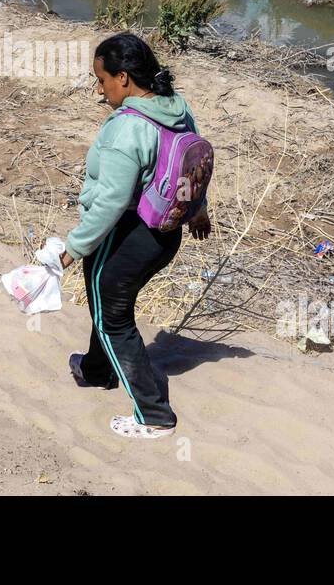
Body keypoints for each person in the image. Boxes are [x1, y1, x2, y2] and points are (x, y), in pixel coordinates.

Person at [61, 32, 212, 440]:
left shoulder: (128, 128)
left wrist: (73, 248)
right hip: (166, 234)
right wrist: (199, 210)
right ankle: (96, 370)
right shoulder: (176, 108)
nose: (99, 89)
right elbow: (193, 164)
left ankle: (154, 413)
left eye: (102, 79)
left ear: (123, 78)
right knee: (105, 299)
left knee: (113, 317)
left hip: (128, 234)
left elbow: (111, 201)